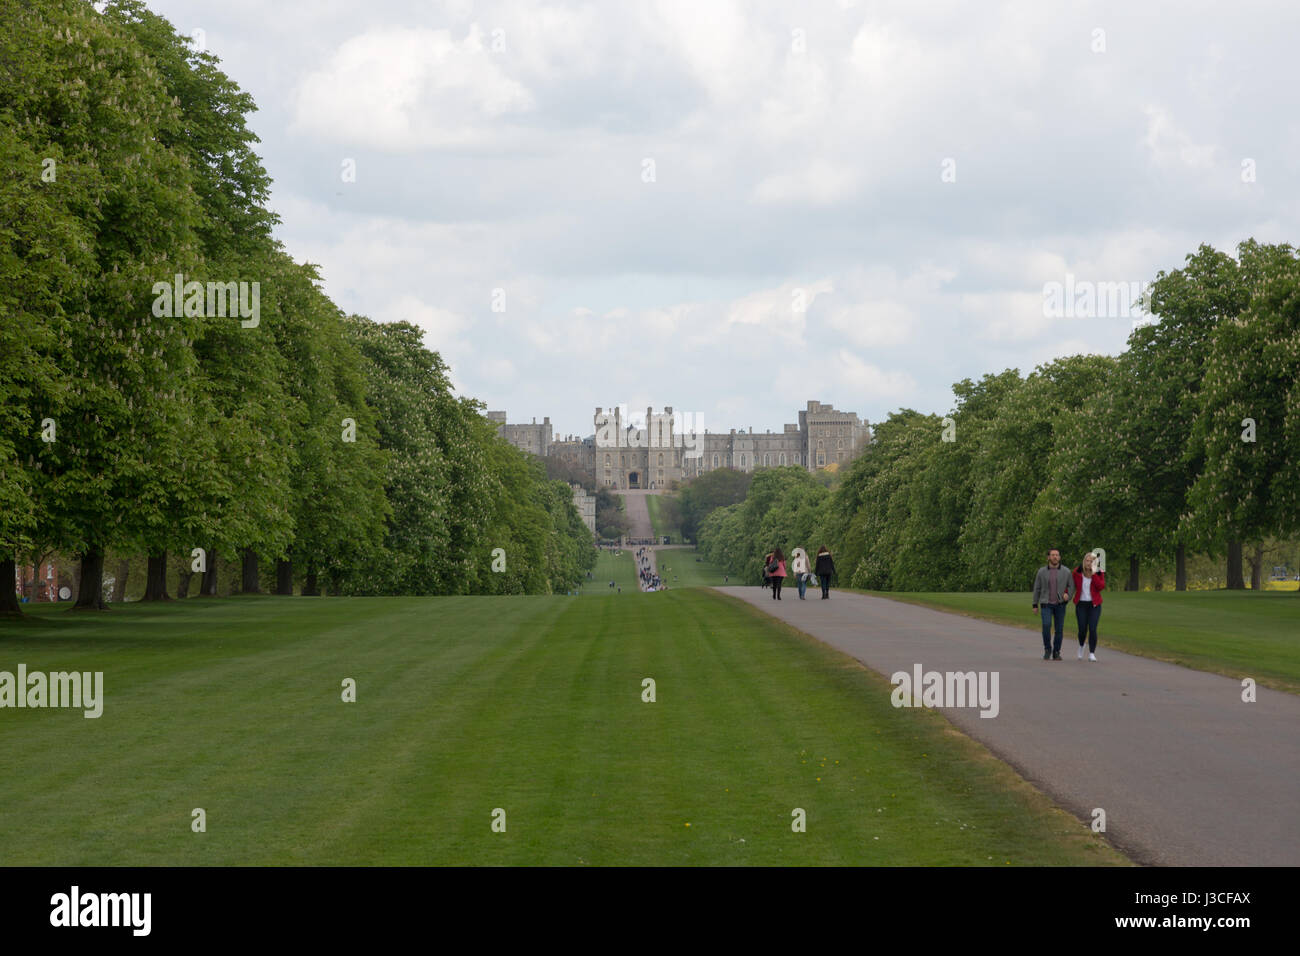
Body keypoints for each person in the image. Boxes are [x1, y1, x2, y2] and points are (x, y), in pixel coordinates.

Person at [1032, 548, 1075, 660]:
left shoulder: (1066, 571)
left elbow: (1071, 586)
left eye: (1057, 555)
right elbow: (1037, 588)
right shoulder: (1042, 572)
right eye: (1052, 555)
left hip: (1060, 604)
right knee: (1046, 626)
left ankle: (1056, 651)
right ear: (1048, 557)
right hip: (1046, 603)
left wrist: (1068, 596)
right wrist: (1035, 604)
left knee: (1059, 629)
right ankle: (1047, 649)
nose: (1055, 557)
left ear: (1059, 557)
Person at [1072, 552, 1105, 661]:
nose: (1089, 563)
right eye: (1087, 560)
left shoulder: (1099, 572)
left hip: (1094, 605)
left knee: (1092, 628)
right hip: (1081, 604)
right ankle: (1081, 646)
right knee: (1082, 629)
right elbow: (1071, 585)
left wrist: (1093, 573)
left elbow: (1101, 586)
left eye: (1091, 561)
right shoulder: (1077, 572)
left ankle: (1092, 653)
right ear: (1084, 561)